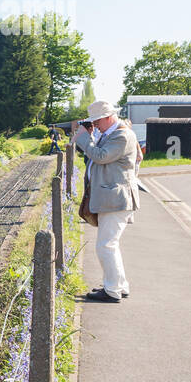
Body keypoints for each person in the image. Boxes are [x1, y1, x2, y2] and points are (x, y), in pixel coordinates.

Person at [72, 100, 140, 303]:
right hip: (111, 198)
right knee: (110, 244)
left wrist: (84, 139)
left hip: (116, 199)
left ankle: (112, 291)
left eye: (97, 121)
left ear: (108, 117)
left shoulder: (122, 135)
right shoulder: (111, 133)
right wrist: (90, 136)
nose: (96, 125)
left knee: (105, 245)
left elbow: (101, 156)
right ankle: (120, 285)